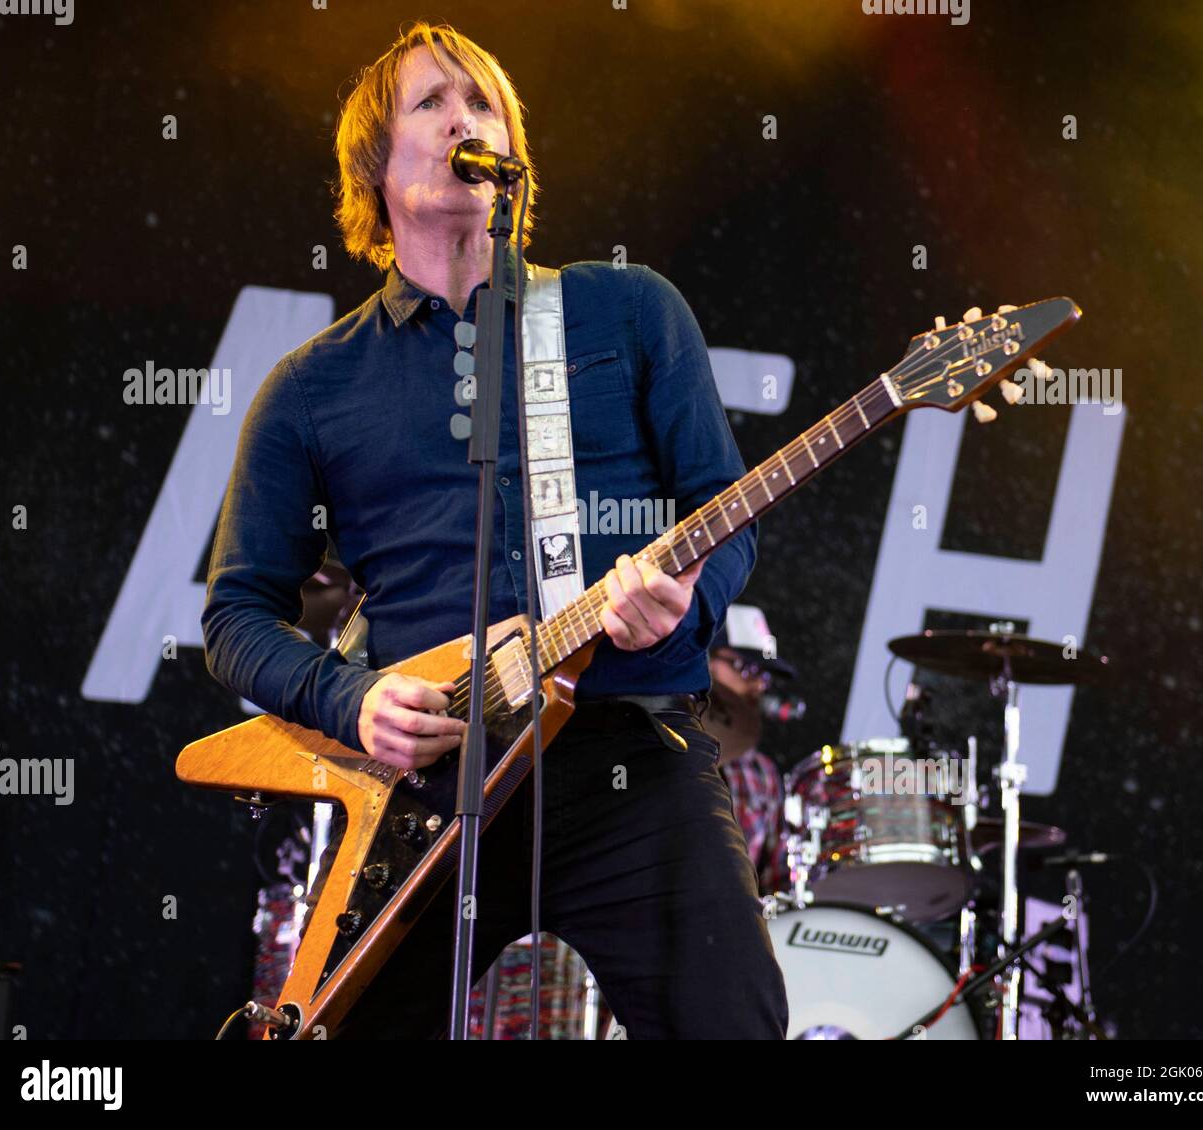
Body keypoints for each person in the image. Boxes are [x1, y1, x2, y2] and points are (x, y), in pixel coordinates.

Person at [201, 21, 786, 1039]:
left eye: (483, 104)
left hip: (626, 749)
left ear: (508, 155)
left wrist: (689, 594)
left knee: (731, 1020)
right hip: (428, 788)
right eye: (431, 103)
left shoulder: (629, 310)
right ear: (374, 164)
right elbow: (237, 614)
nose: (464, 117)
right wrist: (354, 698)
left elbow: (721, 511)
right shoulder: (311, 389)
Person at [703, 604, 796, 896]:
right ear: (704, 659)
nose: (758, 685)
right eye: (747, 668)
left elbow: (774, 878)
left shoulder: (763, 773)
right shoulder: (653, 741)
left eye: (764, 676)